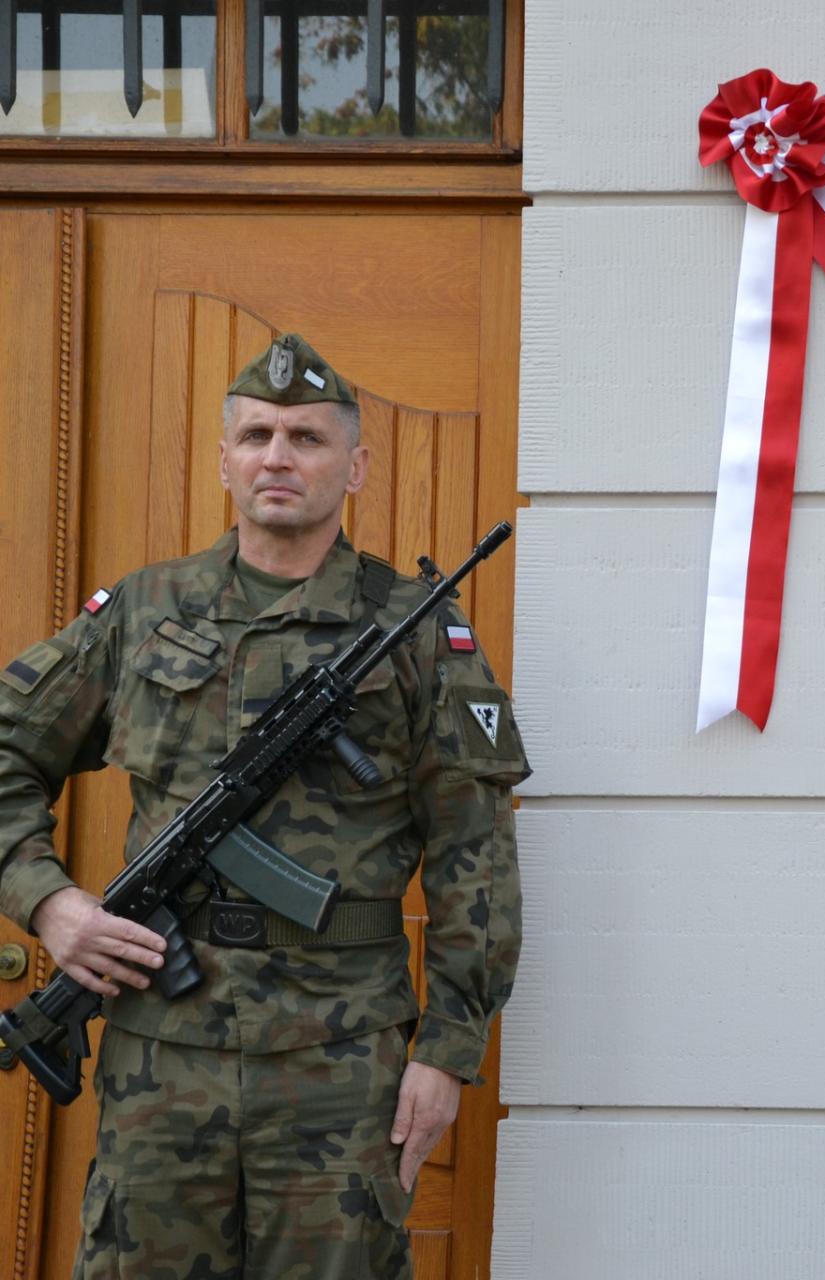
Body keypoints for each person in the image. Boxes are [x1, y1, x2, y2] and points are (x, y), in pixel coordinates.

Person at [0, 334, 529, 1278]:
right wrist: (51, 903)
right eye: (255, 435)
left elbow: (474, 855)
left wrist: (447, 1053)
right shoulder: (143, 611)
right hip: (163, 1049)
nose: (277, 456)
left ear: (355, 464)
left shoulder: (412, 631)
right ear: (224, 459)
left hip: (341, 1060)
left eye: (306, 437)